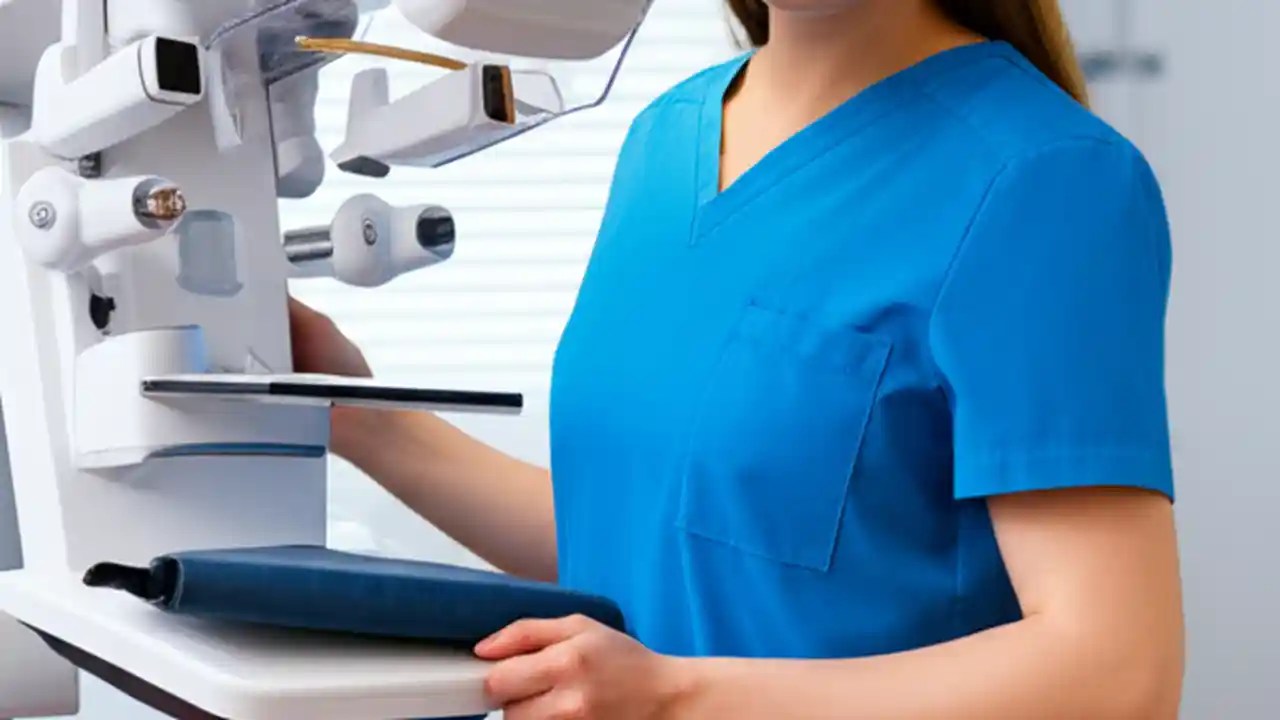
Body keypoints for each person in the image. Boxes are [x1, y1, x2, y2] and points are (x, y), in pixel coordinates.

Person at [290, 0, 1185, 717]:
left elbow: (1114, 673)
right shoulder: (665, 136)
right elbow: (649, 534)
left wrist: (674, 696)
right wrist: (364, 420)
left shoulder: (1045, 178)